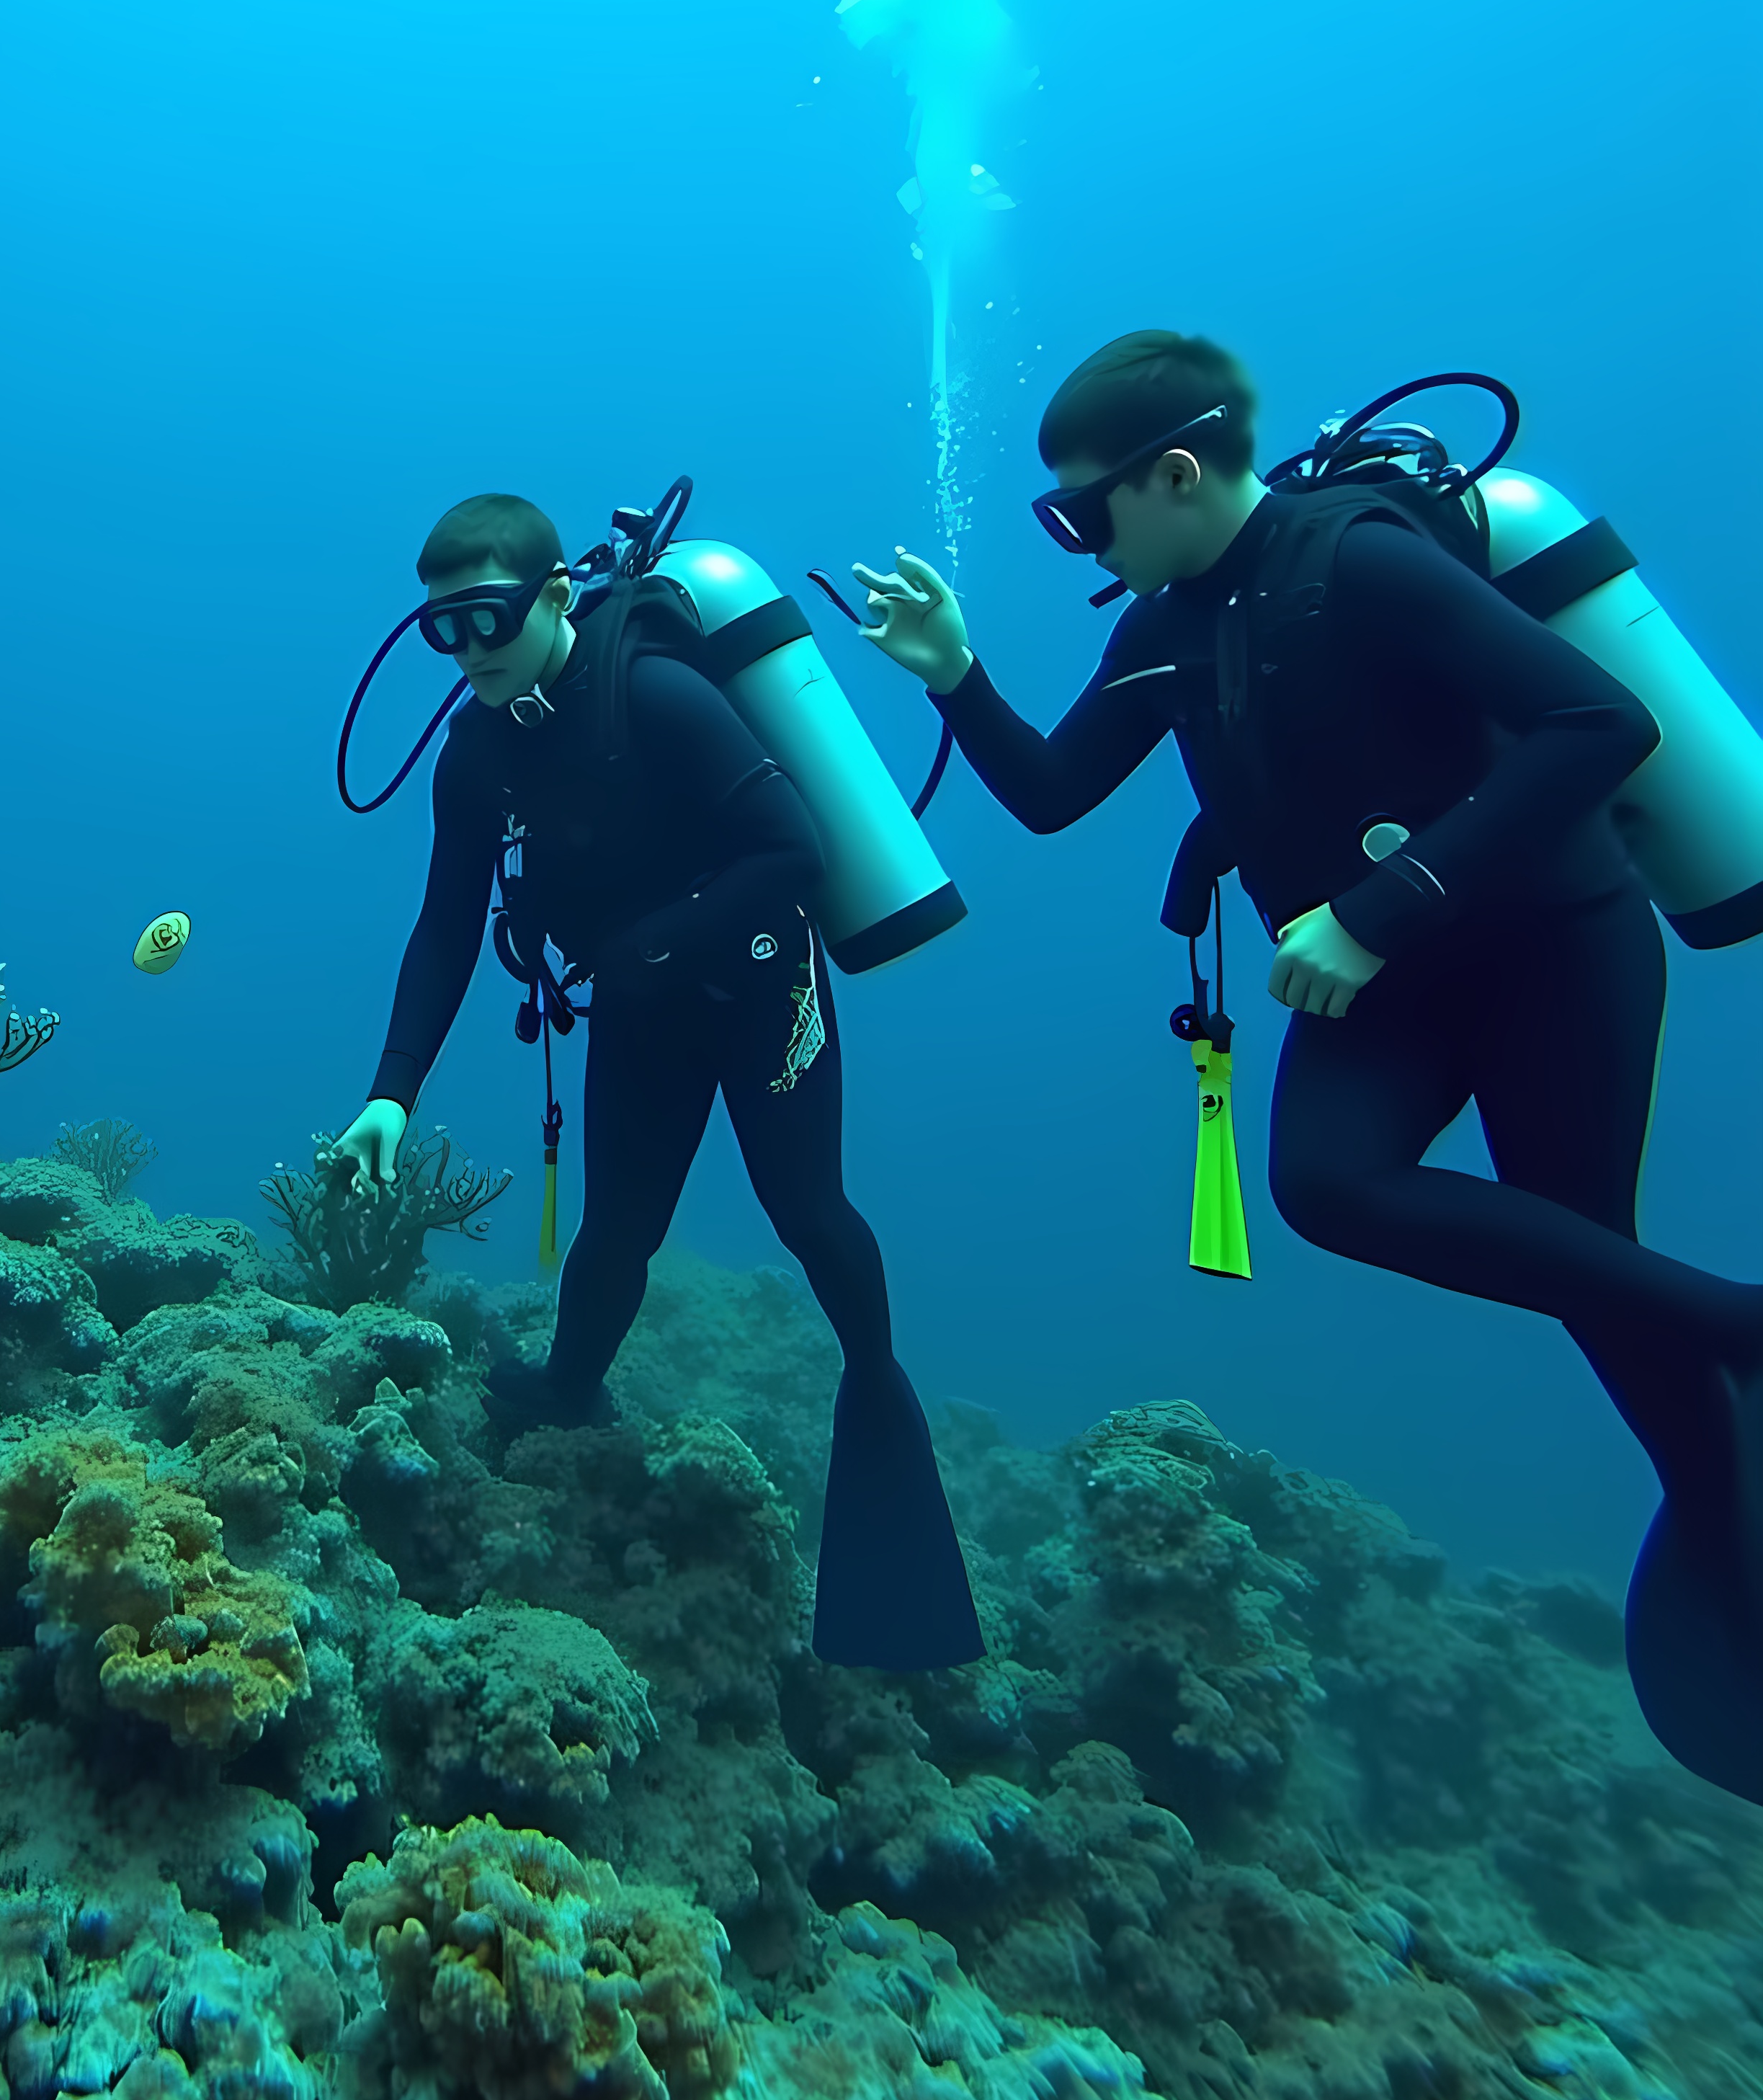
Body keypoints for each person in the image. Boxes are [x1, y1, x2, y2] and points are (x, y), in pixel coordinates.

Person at [855, 328, 1763, 1794]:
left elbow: (1600, 721)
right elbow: (1048, 796)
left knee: (1590, 1263)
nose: (1078, 539)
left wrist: (1375, 906)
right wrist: (953, 675)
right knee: (1336, 1186)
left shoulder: (1358, 558)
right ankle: (1735, 1336)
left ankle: (1727, 1514)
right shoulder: (1155, 623)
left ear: (1171, 470)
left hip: (1548, 944)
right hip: (1387, 978)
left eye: (1082, 511)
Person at [327, 491, 982, 1672]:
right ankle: (568, 1391)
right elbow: (445, 928)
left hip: (762, 983)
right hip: (642, 1008)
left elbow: (793, 849)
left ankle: (879, 1399)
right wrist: (392, 1090)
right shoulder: (476, 751)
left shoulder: (661, 696)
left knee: (809, 1214)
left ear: (556, 597)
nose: (470, 652)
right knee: (616, 1229)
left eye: (489, 619)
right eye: (444, 631)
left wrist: (654, 947)